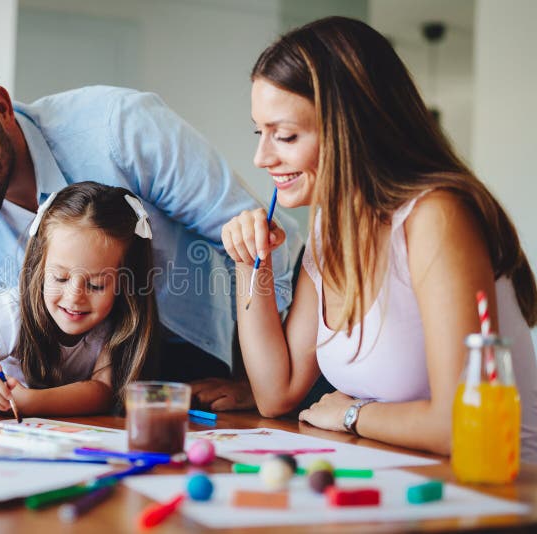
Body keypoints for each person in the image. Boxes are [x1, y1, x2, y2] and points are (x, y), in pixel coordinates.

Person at [0, 33, 301, 413]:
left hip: (193, 366)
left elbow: (256, 235)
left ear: (0, 105)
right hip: (60, 397)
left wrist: (259, 381)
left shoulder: (121, 130)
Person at [223, 17, 537, 460]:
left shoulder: (435, 217)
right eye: (261, 133)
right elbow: (277, 392)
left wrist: (354, 414)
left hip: (498, 492)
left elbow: (462, 425)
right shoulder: (330, 228)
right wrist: (248, 260)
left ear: (349, 126)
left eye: (286, 135)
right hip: (406, 479)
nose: (261, 156)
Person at [0, 182, 158, 417]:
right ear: (40, 268)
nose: (74, 297)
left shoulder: (115, 320)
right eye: (60, 278)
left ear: (125, 284)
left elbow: (101, 392)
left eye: (95, 284)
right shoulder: (12, 313)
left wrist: (31, 402)